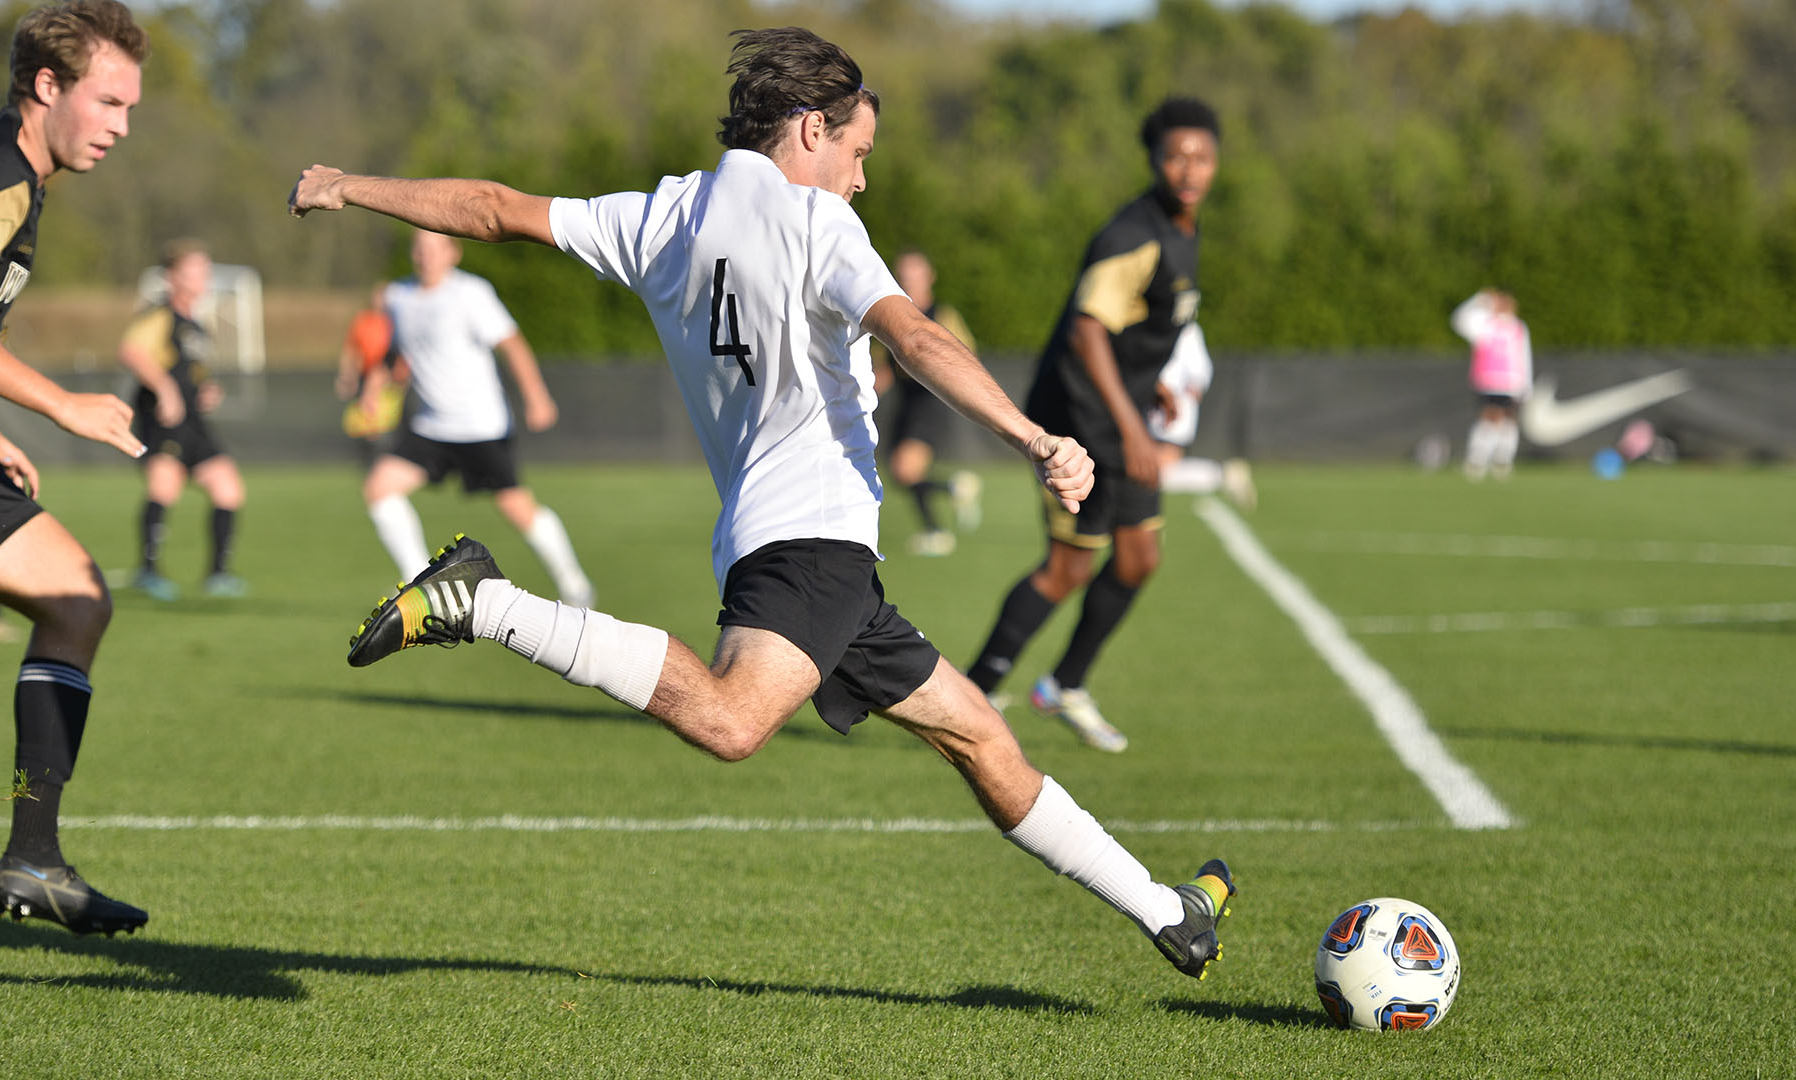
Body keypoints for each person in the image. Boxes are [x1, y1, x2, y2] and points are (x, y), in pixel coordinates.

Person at [291, 27, 1235, 982]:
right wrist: (1034, 438)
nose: (862, 180)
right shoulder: (820, 225)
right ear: (808, 127)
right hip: (811, 540)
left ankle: (1170, 913)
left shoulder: (662, 215)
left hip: (798, 555)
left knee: (982, 737)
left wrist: (349, 185)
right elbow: (913, 337)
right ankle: (487, 601)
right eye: (859, 153)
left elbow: (491, 209)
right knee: (734, 722)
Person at [0, 0, 151, 936]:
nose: (120, 128)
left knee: (76, 597)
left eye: (130, 109)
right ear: (47, 86)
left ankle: (34, 857)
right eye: (107, 103)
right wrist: (58, 407)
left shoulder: (9, 168)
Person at [964, 97, 1221, 754]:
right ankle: (974, 694)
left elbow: (1137, 324)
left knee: (1139, 558)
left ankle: (1064, 685)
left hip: (1121, 415)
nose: (1189, 169)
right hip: (1077, 419)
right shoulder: (1131, 233)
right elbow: (1086, 329)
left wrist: (1153, 386)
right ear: (1155, 161)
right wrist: (1135, 428)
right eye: (1176, 155)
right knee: (1070, 567)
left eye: (1202, 156)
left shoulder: (1183, 231)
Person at [360, 229, 595, 607]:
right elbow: (395, 352)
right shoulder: (398, 297)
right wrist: (375, 386)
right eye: (419, 248)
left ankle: (575, 585)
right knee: (379, 489)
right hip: (430, 426)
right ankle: (421, 583)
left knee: (517, 508)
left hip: (479, 426)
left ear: (453, 253)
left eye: (435, 248)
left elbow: (512, 343)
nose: (425, 256)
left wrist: (536, 396)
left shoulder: (471, 293)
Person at [118, 238, 248, 599]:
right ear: (172, 277)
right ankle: (148, 571)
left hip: (193, 422)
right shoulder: (160, 316)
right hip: (161, 421)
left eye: (204, 270)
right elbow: (131, 351)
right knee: (165, 485)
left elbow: (192, 373)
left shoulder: (198, 325)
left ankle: (219, 575)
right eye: (193, 270)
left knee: (228, 487)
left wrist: (204, 392)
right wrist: (166, 390)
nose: (202, 277)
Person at [870, 249, 981, 556]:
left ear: (929, 278)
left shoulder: (941, 315)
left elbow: (965, 355)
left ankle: (938, 528)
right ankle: (950, 500)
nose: (909, 282)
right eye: (903, 276)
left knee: (906, 470)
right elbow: (884, 369)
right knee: (900, 473)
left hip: (930, 402)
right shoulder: (891, 314)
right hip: (906, 405)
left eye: (915, 275)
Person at [1149, 320, 1256, 512]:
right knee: (1155, 470)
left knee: (1159, 473)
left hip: (1172, 410)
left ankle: (1220, 475)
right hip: (1157, 407)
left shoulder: (1186, 329)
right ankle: (1220, 475)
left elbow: (1199, 371)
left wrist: (1173, 392)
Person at [1451, 288, 1531, 481]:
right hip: (1488, 382)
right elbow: (1458, 320)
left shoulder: (1518, 327)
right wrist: (1479, 300)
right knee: (1489, 420)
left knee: (1508, 423)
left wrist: (1526, 386)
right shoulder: (1484, 325)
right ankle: (1477, 460)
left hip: (1511, 383)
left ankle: (1502, 461)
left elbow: (1524, 356)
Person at [335, 282, 406, 464]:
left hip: (393, 380)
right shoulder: (363, 320)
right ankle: (374, 459)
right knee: (367, 421)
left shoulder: (399, 320)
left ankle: (388, 459)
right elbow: (352, 350)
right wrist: (348, 376)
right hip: (367, 377)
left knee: (387, 421)